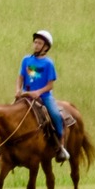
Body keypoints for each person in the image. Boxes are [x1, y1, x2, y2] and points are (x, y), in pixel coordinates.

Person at [19, 29, 68, 162]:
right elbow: (20, 77)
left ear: (46, 47)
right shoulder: (26, 60)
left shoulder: (48, 63)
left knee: (56, 115)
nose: (36, 45)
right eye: (35, 42)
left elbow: (50, 85)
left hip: (44, 96)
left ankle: (60, 144)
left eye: (39, 43)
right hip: (26, 95)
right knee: (8, 114)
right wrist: (18, 90)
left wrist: (38, 93)